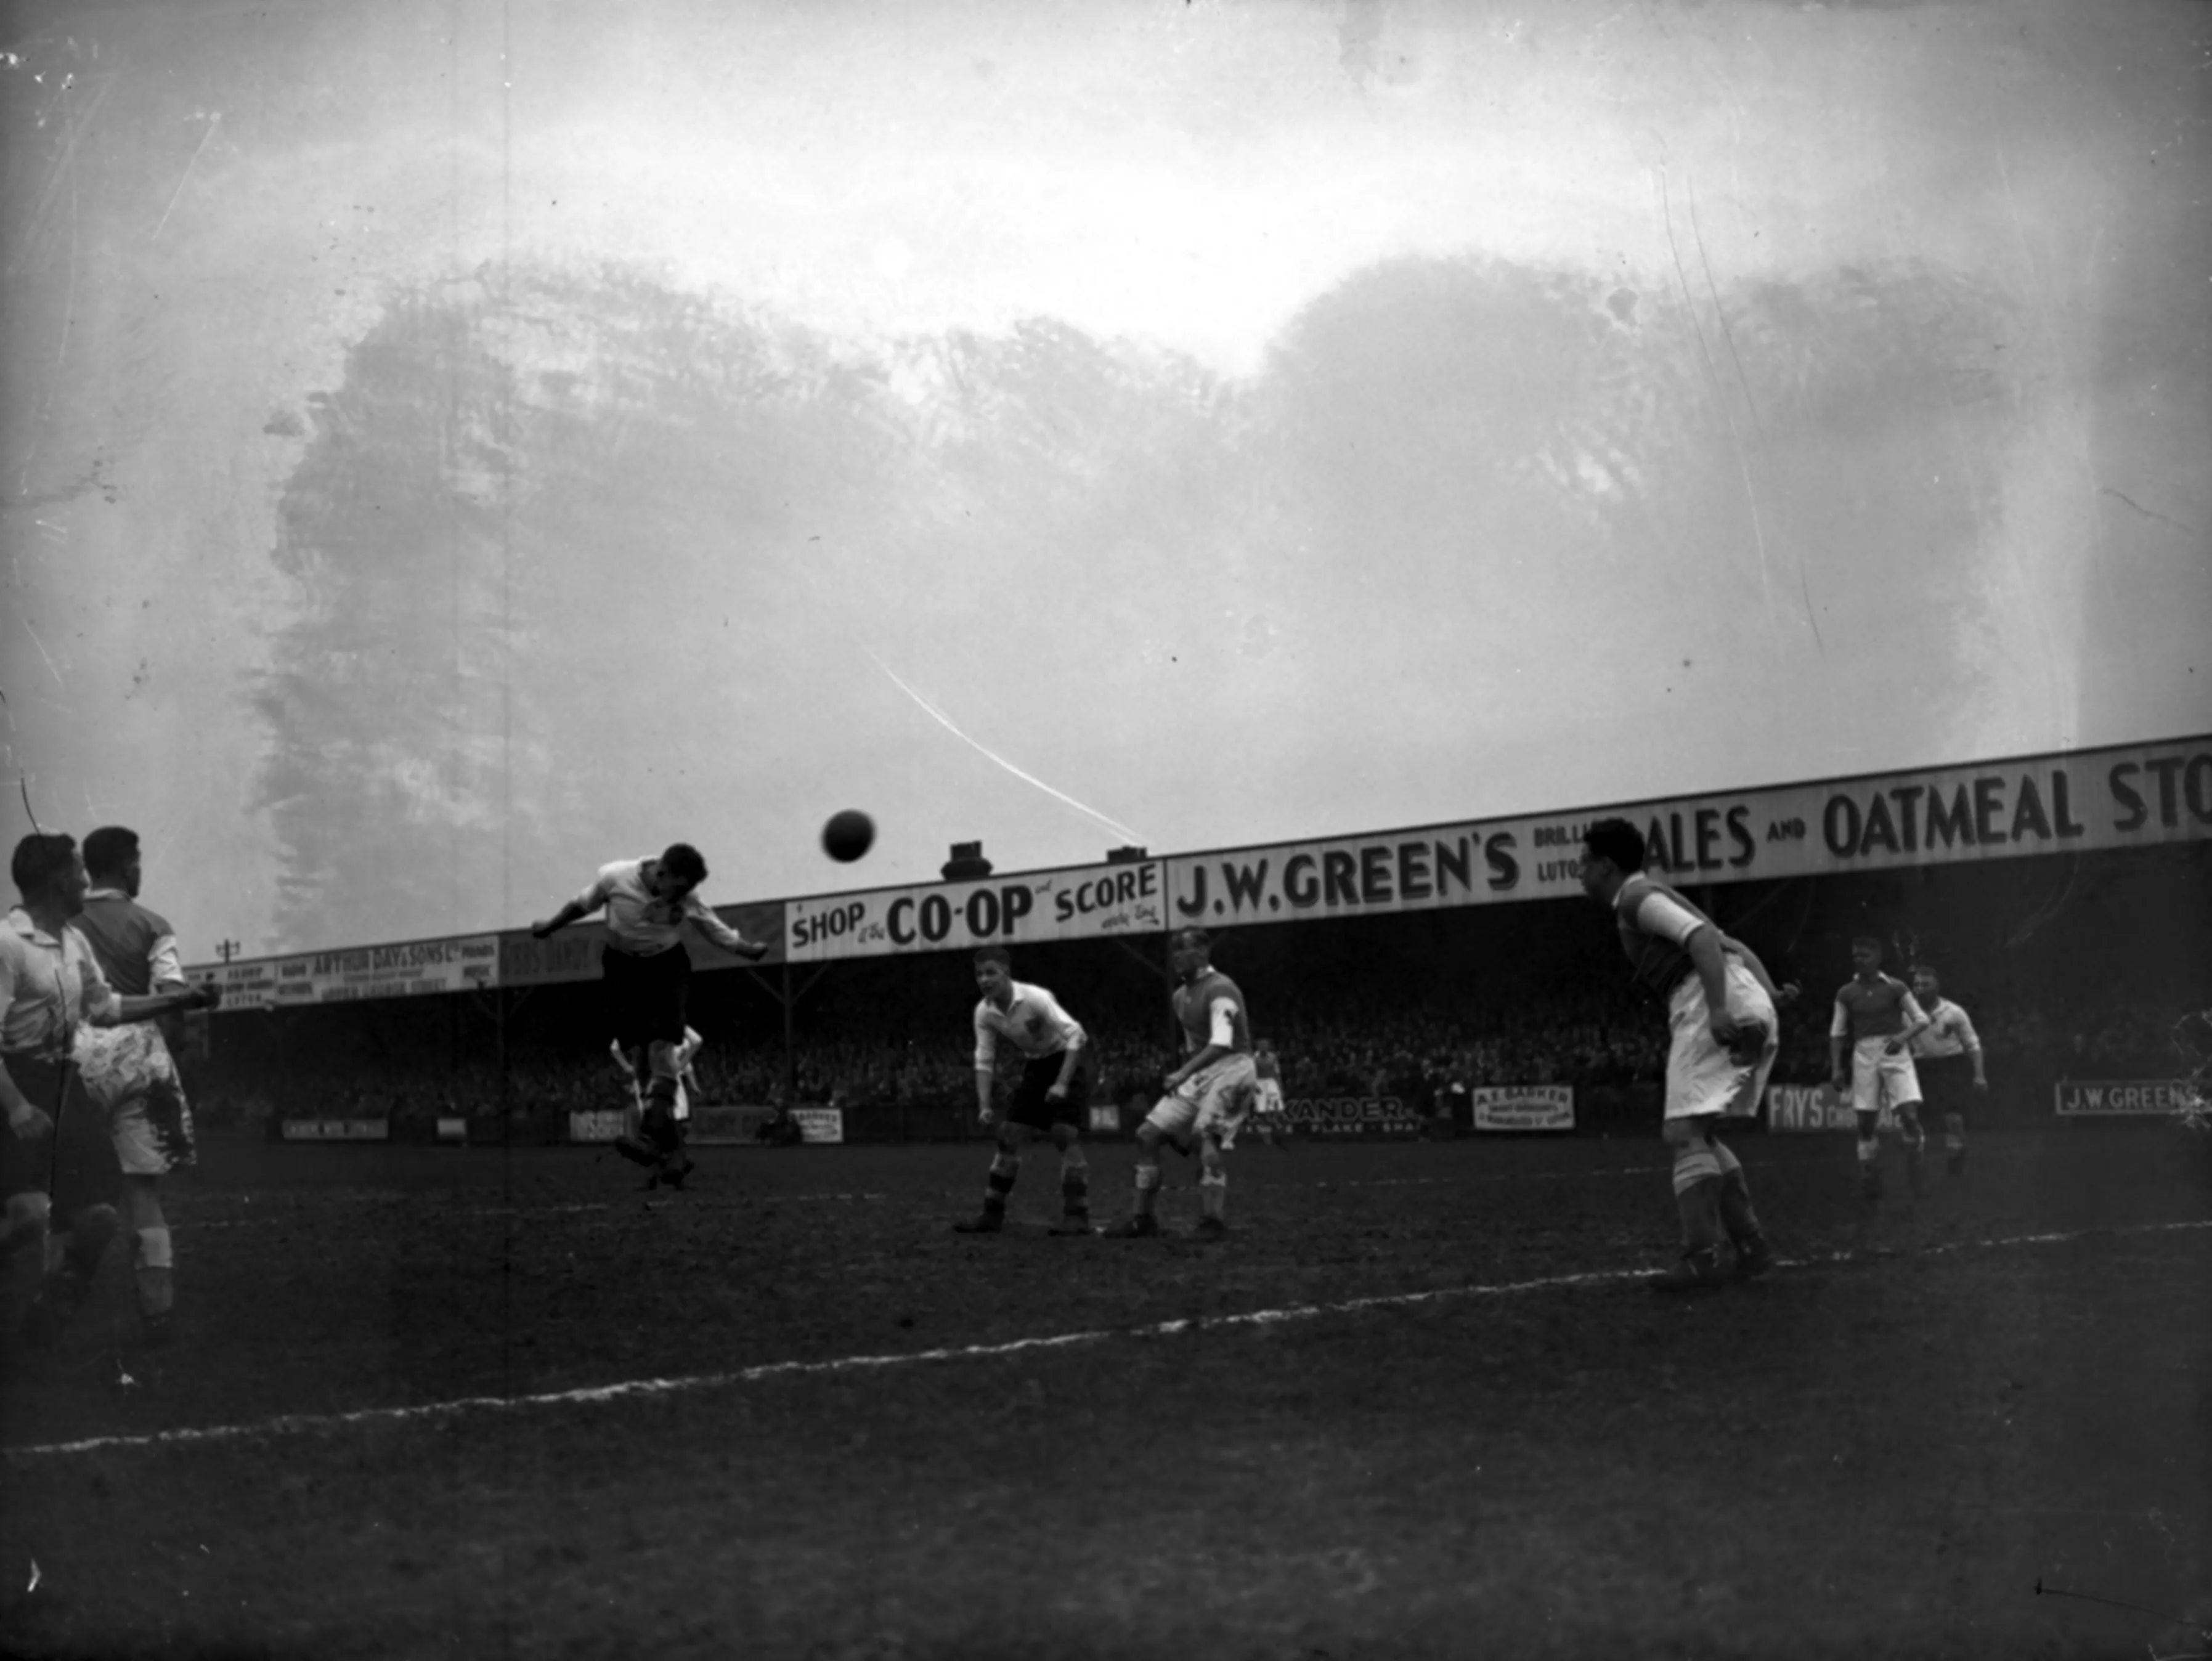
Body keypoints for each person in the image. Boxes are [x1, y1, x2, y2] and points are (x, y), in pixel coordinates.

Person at [2, 834, 218, 1349]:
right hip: (16, 1083)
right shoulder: (8, 944)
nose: (85, 880)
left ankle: (46, 1320)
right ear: (59, 880)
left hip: (68, 1079)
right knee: (32, 1215)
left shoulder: (74, 940)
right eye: (77, 871)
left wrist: (182, 1000)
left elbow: (105, 1008)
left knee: (98, 1217)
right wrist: (16, 1107)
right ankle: (140, 1316)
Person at [1578, 819, 1784, 1291]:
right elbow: (1730, 943)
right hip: (1747, 996)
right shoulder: (1658, 893)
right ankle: (1750, 1245)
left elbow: (1702, 940)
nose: (1578, 871)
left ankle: (1702, 1256)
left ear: (1606, 866)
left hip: (1707, 999)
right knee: (1701, 1132)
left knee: (1682, 1132)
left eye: (1583, 862)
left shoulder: (1635, 898)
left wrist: (1718, 1009)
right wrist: (1770, 994)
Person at [532, 843, 768, 1190]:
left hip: (666, 968)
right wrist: (550, 926)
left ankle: (649, 1135)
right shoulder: (615, 877)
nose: (682, 897)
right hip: (623, 970)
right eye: (679, 888)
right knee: (640, 1059)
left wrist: (746, 949)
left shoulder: (685, 896)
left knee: (661, 1047)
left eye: (687, 891)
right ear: (663, 873)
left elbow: (710, 925)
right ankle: (674, 1153)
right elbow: (582, 904)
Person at [68, 827, 205, 1346]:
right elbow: (173, 996)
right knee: (144, 1193)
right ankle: (158, 1312)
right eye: (138, 861)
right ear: (126, 865)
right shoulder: (154, 924)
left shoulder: (65, 923)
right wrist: (175, 1050)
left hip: (79, 1055)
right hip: (141, 1055)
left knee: (68, 1192)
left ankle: (57, 1303)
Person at [1104, 927, 1256, 1241]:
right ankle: (1143, 1219)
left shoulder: (1221, 989)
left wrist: (1182, 1073)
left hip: (1233, 1068)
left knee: (1206, 1136)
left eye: (1182, 950)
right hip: (1203, 1073)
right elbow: (1195, 1046)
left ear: (1202, 953)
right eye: (1173, 951)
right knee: (1147, 1135)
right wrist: (1188, 1078)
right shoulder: (1179, 997)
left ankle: (1213, 1221)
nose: (1175, 957)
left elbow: (1222, 1044)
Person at [954, 946, 1094, 1235]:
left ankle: (1077, 1216)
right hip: (1037, 1065)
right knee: (1009, 1134)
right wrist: (984, 1105)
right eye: (979, 974)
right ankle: (992, 1215)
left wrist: (1062, 1083)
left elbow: (1076, 1035)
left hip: (1068, 1059)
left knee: (1064, 1133)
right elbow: (984, 1058)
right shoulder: (984, 1012)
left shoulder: (1035, 998)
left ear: (1006, 973)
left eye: (991, 973)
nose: (984, 980)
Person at [1829, 937, 1931, 1202]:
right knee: (1865, 1122)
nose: (1859, 960)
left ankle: (1916, 1164)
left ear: (1877, 957)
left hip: (1896, 1052)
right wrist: (1837, 1068)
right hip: (1864, 1053)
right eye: (1856, 955)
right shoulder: (1846, 993)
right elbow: (1838, 1032)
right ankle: (1869, 1176)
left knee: (1909, 1115)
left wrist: (1902, 1037)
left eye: (1864, 955)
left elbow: (1922, 1019)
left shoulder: (1896, 987)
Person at [1907, 964, 1986, 1177]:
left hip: (1952, 1065)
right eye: (1917, 985)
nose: (1920, 989)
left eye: (1926, 984)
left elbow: (1973, 1045)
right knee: (1914, 1119)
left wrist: (1979, 1075)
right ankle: (1914, 1166)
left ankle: (1956, 1158)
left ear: (1936, 987)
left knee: (1954, 1118)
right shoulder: (1906, 1013)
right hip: (1921, 1067)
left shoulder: (1954, 1012)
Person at [611, 1025, 704, 1176]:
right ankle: (672, 1163)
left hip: (653, 1082)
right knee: (666, 1123)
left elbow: (615, 1047)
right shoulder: (670, 1026)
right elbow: (695, 1042)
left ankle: (667, 1163)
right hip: (662, 1081)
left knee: (659, 1124)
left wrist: (629, 1068)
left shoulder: (648, 1027)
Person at [1245, 1034, 1291, 1151]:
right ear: (1258, 1046)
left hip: (1272, 1083)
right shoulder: (1253, 1058)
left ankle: (1278, 1133)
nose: (1264, 1046)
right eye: (1262, 1044)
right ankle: (1267, 1136)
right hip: (1259, 1083)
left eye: (1266, 1044)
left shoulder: (1273, 1057)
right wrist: (1254, 1086)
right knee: (1262, 1112)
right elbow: (1251, 1074)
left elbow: (1277, 1073)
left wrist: (1280, 1088)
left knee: (1277, 1109)